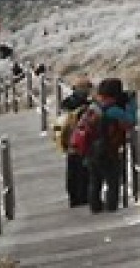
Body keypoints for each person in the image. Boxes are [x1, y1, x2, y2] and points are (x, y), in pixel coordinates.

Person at [72, 78, 138, 213]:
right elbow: (130, 120)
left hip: (91, 150)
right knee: (112, 181)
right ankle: (111, 209)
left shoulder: (94, 106)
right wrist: (132, 104)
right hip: (107, 150)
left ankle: (95, 208)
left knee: (95, 181)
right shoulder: (112, 110)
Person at [56, 76, 94, 207]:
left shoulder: (66, 103)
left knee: (72, 172)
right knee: (84, 171)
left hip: (70, 143)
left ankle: (74, 198)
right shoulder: (87, 106)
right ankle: (84, 197)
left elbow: (60, 123)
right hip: (83, 142)